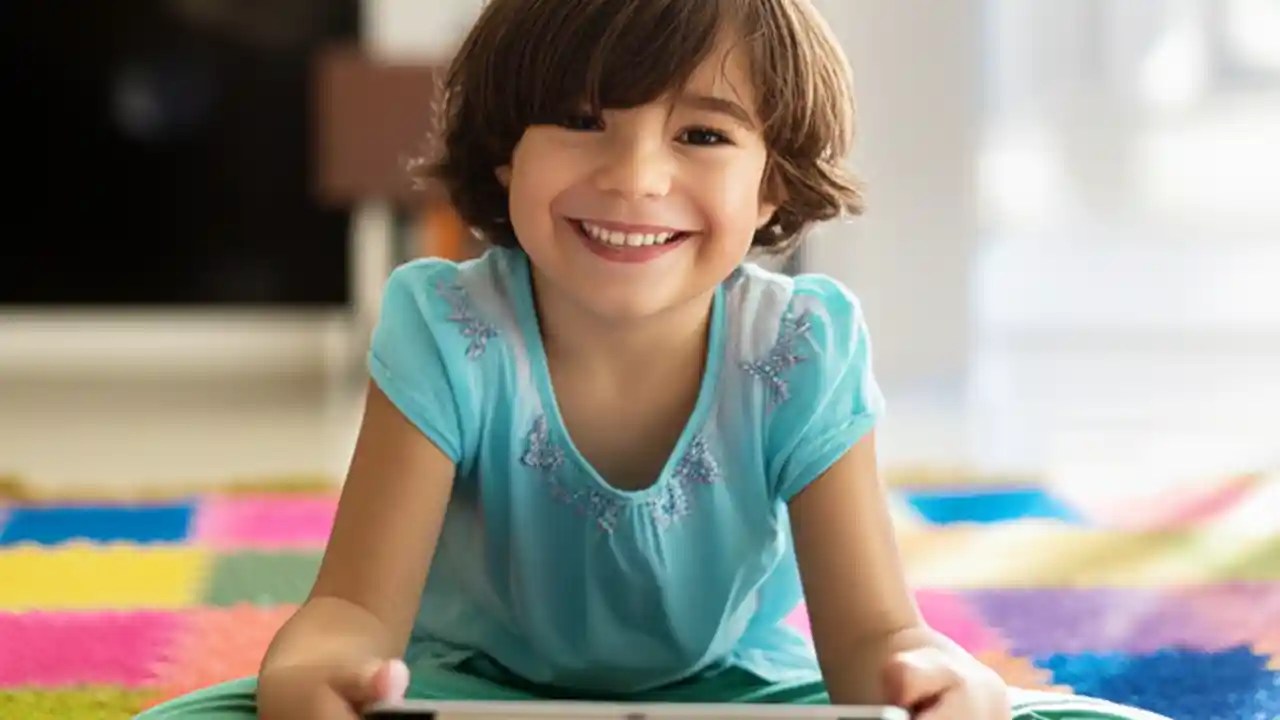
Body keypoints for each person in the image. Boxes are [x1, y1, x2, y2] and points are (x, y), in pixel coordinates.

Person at [140, 1, 1170, 719]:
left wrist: (933, 682)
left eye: (702, 135)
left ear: (774, 186)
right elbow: (356, 613)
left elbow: (869, 640)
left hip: (741, 694)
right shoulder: (444, 325)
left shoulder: (802, 346)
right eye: (583, 122)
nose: (634, 177)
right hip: (469, 690)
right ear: (505, 154)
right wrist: (324, 676)